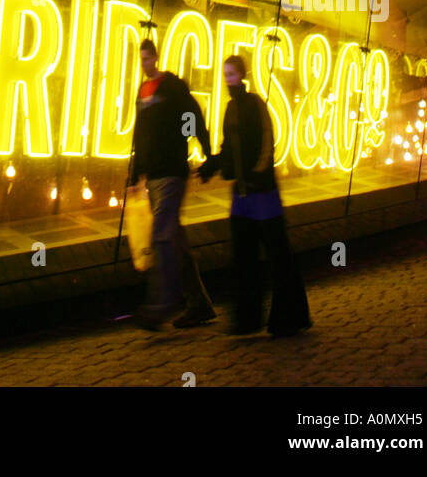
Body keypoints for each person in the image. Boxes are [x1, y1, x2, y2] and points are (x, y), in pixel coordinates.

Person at [199, 54, 311, 337]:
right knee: (245, 256)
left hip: (261, 194)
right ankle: (249, 318)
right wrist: (212, 165)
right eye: (225, 75)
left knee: (276, 256)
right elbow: (228, 147)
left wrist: (256, 173)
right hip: (244, 194)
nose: (228, 80)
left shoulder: (254, 103)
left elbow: (265, 140)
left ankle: (285, 317)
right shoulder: (230, 108)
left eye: (232, 74)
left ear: (243, 76)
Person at [128, 38, 216, 330]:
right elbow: (140, 134)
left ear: (156, 58)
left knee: (163, 237)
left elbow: (193, 116)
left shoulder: (172, 87)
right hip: (155, 177)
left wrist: (206, 152)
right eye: (140, 60)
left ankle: (161, 305)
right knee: (173, 241)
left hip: (171, 174)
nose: (144, 64)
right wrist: (136, 173)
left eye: (147, 59)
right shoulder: (143, 93)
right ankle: (198, 304)